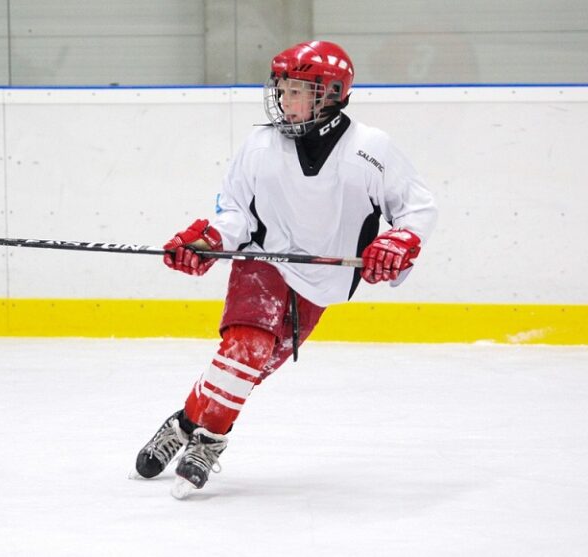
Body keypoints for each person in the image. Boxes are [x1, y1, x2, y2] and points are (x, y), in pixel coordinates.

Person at [133, 40, 438, 499]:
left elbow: (417, 209)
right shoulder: (259, 145)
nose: (284, 100)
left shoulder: (372, 149)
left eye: (298, 91)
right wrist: (208, 241)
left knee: (245, 373)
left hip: (323, 283)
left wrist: (396, 242)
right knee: (245, 350)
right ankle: (210, 441)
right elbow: (234, 212)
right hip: (264, 261)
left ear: (332, 95)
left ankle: (185, 421)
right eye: (283, 89)